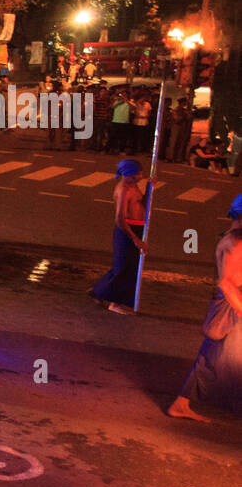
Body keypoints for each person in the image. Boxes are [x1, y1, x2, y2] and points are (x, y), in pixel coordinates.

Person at [168, 194, 242, 421]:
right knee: (215, 356)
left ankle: (183, 403)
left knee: (217, 356)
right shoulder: (235, 242)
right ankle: (181, 404)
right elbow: (227, 282)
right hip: (231, 304)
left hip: (232, 303)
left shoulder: (234, 238)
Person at [89, 159, 159, 314]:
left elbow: (143, 205)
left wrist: (149, 188)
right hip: (127, 230)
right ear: (128, 175)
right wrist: (135, 239)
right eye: (137, 174)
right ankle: (115, 303)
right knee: (124, 268)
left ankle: (99, 291)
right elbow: (120, 219)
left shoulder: (133, 187)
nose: (140, 176)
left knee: (126, 265)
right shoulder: (123, 190)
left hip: (137, 228)